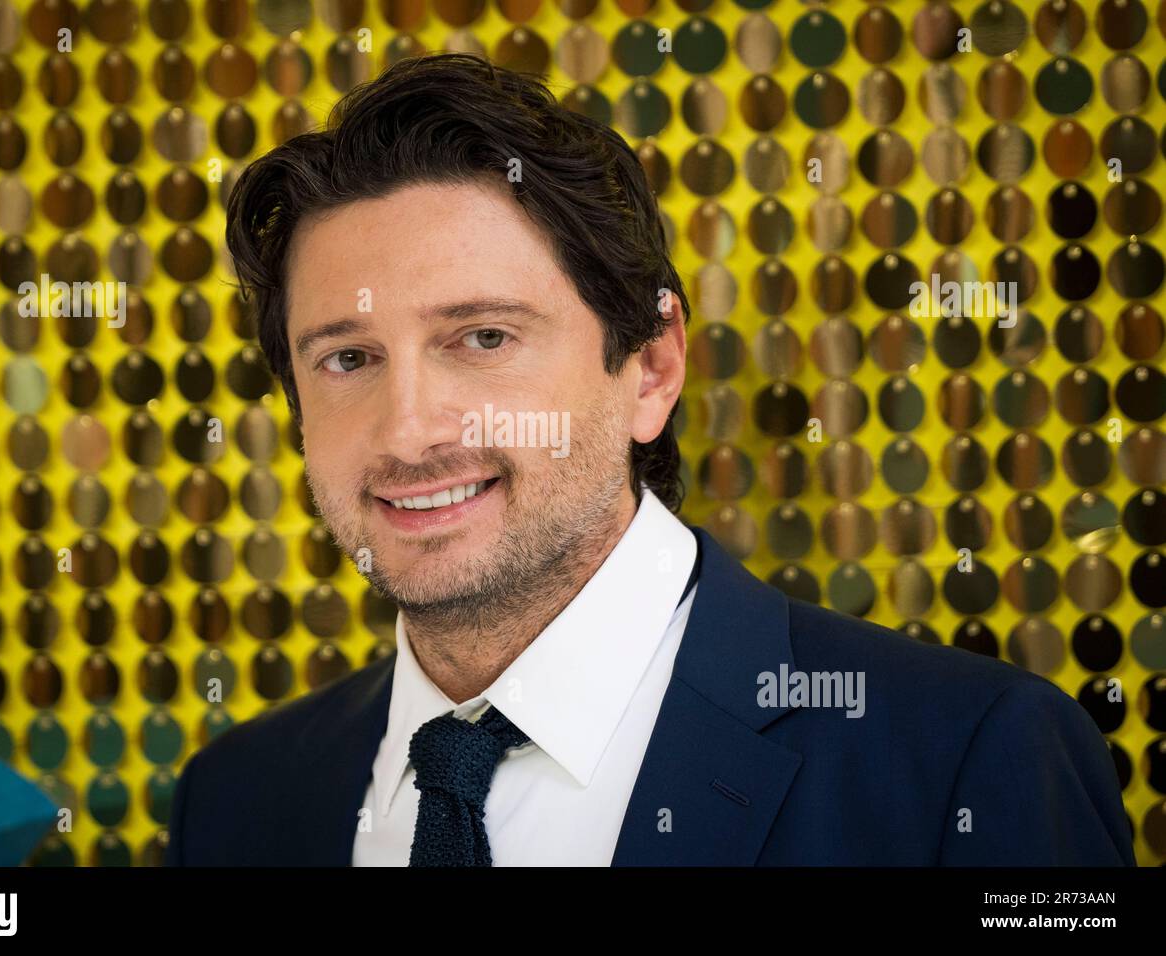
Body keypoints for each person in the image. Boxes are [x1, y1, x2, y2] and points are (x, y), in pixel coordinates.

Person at [166, 53, 1135, 866]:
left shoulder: (964, 758)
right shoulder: (235, 799)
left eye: (484, 338)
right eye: (347, 358)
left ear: (651, 367)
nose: (408, 429)